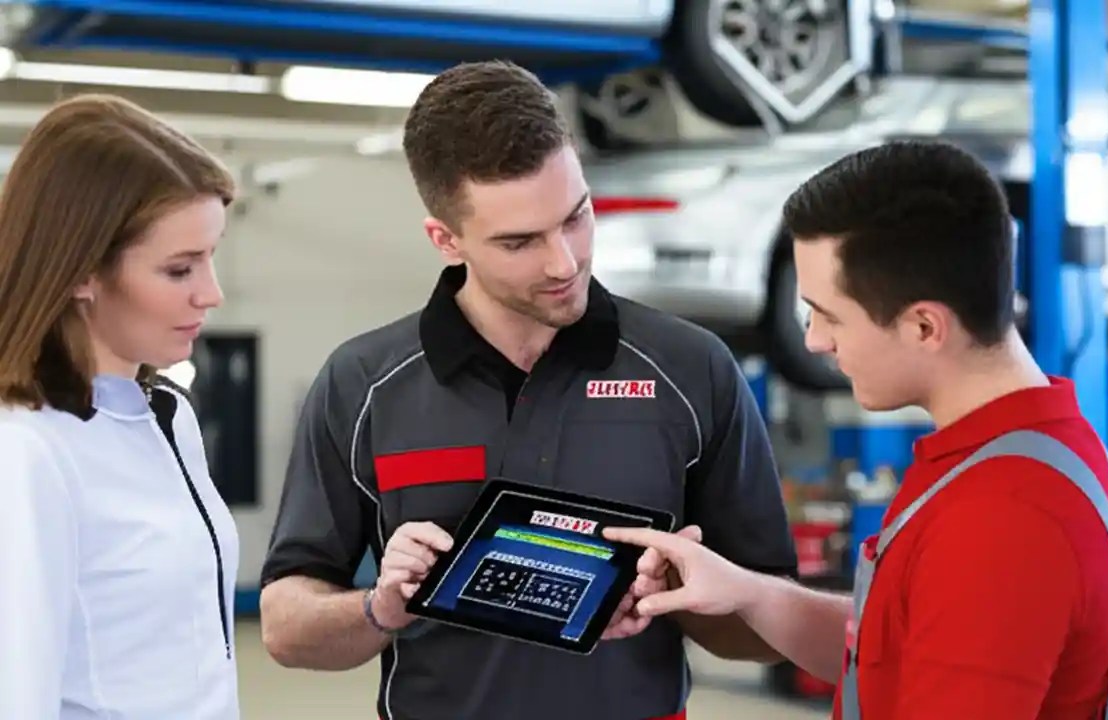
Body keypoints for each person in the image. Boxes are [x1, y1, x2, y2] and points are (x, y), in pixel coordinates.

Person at [257, 59, 799, 720]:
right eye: (520, 242)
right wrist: (380, 606)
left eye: (576, 217)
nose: (563, 262)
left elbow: (774, 626)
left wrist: (688, 595)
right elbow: (286, 628)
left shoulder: (692, 371)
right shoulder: (364, 384)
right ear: (445, 240)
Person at [606, 140, 1108, 720]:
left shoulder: (1002, 519)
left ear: (924, 326)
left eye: (830, 315)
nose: (814, 341)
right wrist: (748, 593)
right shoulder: (1010, 453)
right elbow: (899, 652)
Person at [0, 94, 240, 719]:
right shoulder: (26, 450)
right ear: (81, 272)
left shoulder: (168, 417)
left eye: (210, 259)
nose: (211, 294)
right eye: (179, 269)